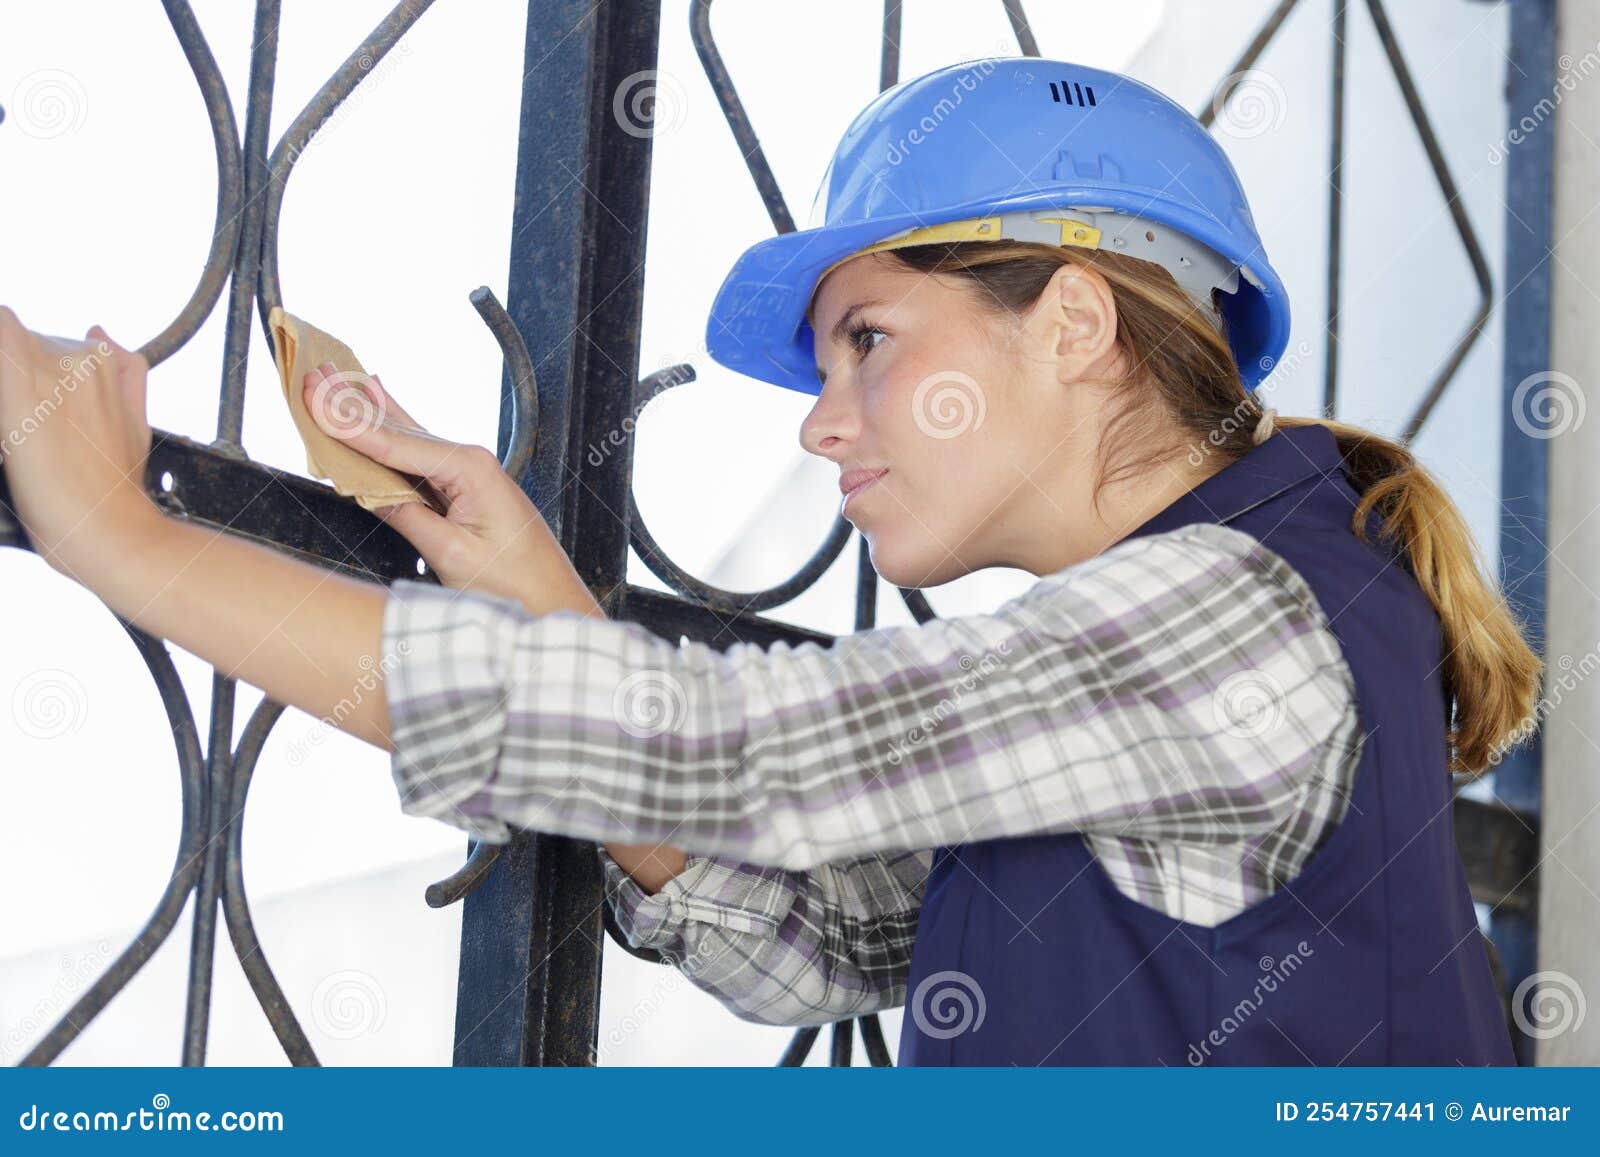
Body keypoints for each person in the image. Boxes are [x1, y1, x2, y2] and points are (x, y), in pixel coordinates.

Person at [0, 56, 1540, 1066]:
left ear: (1074, 321)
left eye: (868, 343)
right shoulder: (1199, 634)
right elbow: (825, 939)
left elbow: (734, 749)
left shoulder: (1227, 620)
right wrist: (549, 606)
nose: (825, 427)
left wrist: (120, 534)